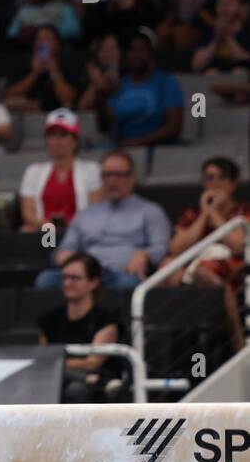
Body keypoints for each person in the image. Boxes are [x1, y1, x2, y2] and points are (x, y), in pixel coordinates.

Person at [33, 151, 170, 290]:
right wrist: (63, 254)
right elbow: (65, 248)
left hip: (122, 273)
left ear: (131, 178)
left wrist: (146, 254)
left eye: (119, 175)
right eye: (107, 175)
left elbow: (161, 247)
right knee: (46, 279)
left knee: (128, 284)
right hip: (85, 274)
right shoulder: (85, 214)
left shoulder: (150, 211)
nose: (112, 180)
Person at [162, 156, 250, 352]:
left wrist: (216, 215)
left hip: (234, 267)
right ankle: (179, 348)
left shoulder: (244, 211)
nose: (215, 184)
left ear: (233, 183)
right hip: (196, 266)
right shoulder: (193, 214)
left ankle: (237, 339)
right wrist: (205, 213)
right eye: (209, 178)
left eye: (221, 178)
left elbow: (238, 246)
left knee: (203, 272)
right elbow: (176, 249)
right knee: (167, 267)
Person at [37, 252, 127, 403]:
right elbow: (44, 361)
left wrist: (60, 364)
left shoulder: (106, 321)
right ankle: (90, 379)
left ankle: (91, 380)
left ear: (93, 282)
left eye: (75, 278)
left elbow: (92, 363)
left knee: (75, 388)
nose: (67, 283)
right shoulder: (49, 320)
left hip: (93, 385)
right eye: (64, 278)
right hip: (63, 379)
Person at [18, 109, 104, 233]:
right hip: (46, 232)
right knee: (27, 232)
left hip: (80, 232)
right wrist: (51, 226)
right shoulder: (33, 171)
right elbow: (28, 214)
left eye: (63, 135)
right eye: (52, 135)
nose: (56, 140)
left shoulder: (91, 169)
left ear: (74, 140)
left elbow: (97, 210)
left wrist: (70, 227)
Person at [98, 29, 183, 148]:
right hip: (122, 146)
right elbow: (105, 126)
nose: (136, 55)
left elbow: (174, 127)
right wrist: (102, 94)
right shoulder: (119, 84)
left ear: (151, 54)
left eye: (142, 50)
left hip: (159, 149)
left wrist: (139, 142)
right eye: (132, 50)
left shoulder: (166, 82)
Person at [3, 26, 82, 113]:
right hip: (27, 110)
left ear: (57, 44)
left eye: (47, 39)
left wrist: (54, 72)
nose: (43, 43)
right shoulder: (23, 63)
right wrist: (34, 73)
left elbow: (68, 99)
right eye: (39, 39)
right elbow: (9, 94)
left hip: (57, 113)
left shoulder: (67, 64)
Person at [191, 0, 250, 74]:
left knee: (239, 72)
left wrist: (227, 36)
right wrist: (216, 40)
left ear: (240, 7)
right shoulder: (209, 30)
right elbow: (196, 65)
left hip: (241, 77)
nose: (224, 7)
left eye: (230, 3)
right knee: (211, 73)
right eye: (221, 3)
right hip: (215, 75)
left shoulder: (246, 30)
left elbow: (243, 59)